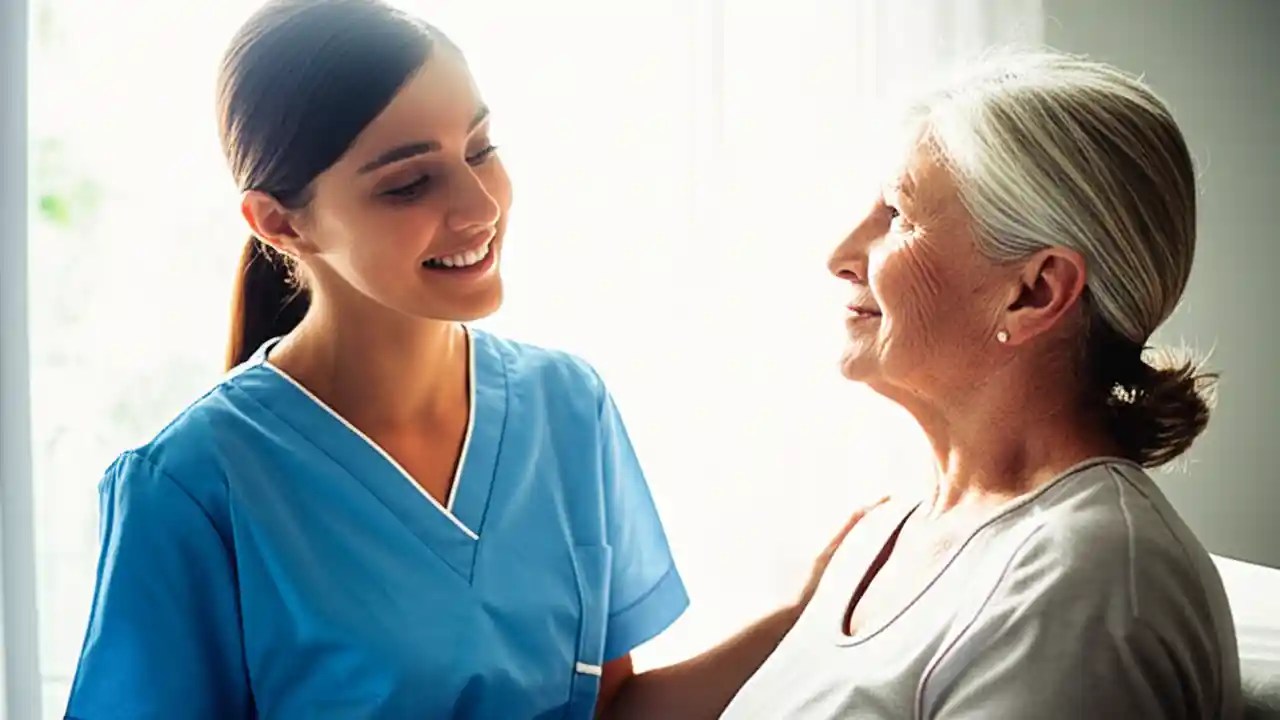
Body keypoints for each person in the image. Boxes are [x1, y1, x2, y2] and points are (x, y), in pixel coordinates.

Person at [64, 1, 865, 718]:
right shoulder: (192, 488)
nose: (480, 206)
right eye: (410, 183)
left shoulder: (567, 408)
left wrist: (808, 616)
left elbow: (612, 709)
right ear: (281, 223)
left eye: (481, 149)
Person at [719, 50, 1244, 719]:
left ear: (1035, 292)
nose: (841, 255)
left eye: (897, 216)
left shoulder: (1085, 582)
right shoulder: (887, 531)